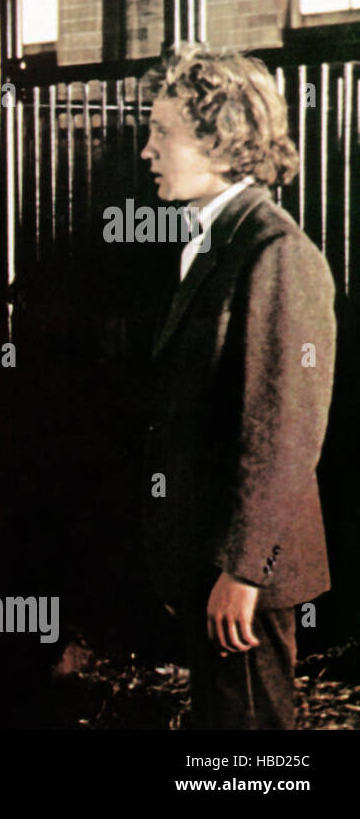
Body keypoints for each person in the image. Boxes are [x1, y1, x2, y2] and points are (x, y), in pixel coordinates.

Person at [139, 46, 336, 729]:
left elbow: (286, 434)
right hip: (213, 555)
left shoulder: (276, 254)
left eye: (164, 132)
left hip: (246, 566)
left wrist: (245, 573)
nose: (148, 150)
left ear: (223, 143)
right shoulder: (215, 240)